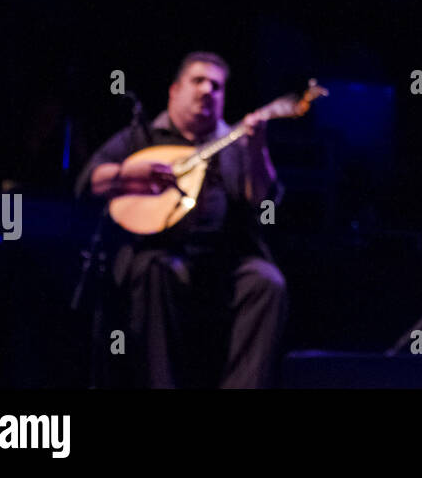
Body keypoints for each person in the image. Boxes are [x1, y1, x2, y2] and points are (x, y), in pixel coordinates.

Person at [76, 52, 287, 388]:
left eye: (216, 86)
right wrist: (131, 174)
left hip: (225, 261)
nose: (207, 90)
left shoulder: (233, 144)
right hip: (161, 253)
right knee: (155, 270)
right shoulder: (142, 136)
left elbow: (264, 201)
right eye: (198, 81)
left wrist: (257, 146)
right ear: (175, 91)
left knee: (266, 282)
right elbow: (90, 181)